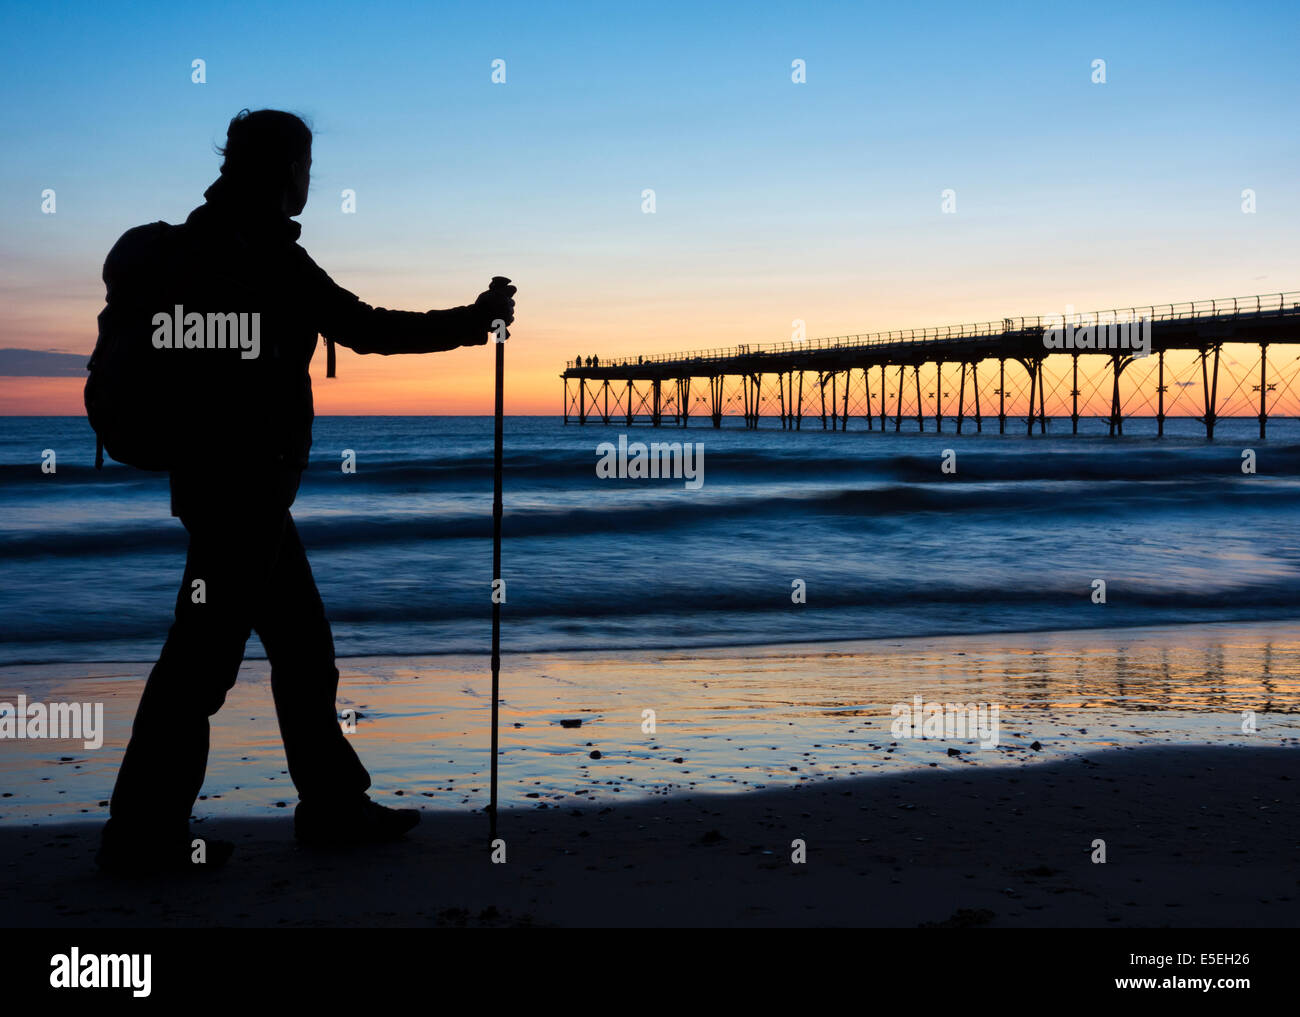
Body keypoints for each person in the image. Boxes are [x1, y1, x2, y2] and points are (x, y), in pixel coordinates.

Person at [96, 109, 516, 874]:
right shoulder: (262, 257)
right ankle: (144, 833)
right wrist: (474, 321)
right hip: (244, 491)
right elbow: (367, 327)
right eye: (305, 166)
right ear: (282, 167)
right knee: (201, 664)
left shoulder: (199, 244)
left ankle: (330, 805)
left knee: (299, 647)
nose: (310, 181)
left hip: (220, 484)